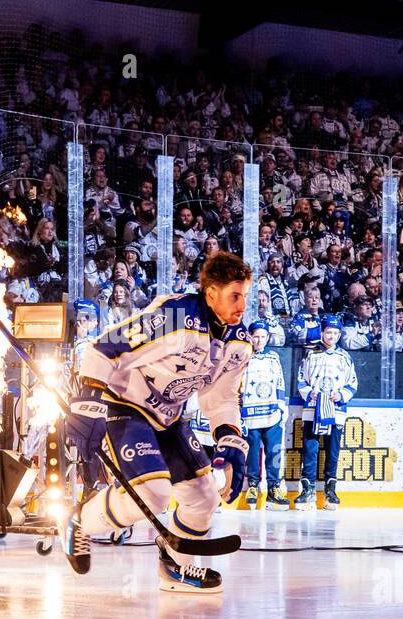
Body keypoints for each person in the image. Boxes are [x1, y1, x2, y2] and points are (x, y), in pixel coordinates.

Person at [65, 251, 254, 594]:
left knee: (203, 497)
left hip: (170, 416)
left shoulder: (239, 341)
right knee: (153, 494)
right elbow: (105, 348)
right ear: (211, 293)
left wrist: (230, 441)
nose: (242, 306)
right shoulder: (176, 315)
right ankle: (80, 521)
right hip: (126, 405)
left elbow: (222, 398)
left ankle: (176, 569)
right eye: (235, 296)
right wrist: (88, 402)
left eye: (244, 296)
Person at [294, 315, 357, 511]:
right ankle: (308, 490)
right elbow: (301, 378)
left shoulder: (344, 357)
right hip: (313, 409)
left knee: (333, 450)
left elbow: (352, 382)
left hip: (336, 412)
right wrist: (309, 392)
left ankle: (330, 491)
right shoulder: (310, 354)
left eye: (336, 333)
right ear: (322, 332)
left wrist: (341, 394)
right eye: (328, 332)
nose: (332, 336)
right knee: (310, 450)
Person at [241, 320, 289, 509]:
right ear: (250, 337)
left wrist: (281, 405)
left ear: (268, 338)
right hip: (250, 413)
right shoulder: (243, 356)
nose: (259, 340)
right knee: (252, 451)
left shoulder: (273, 357)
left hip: (271, 413)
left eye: (263, 337)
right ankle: (253, 485)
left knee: (274, 451)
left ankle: (273, 489)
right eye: (256, 336)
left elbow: (280, 382)